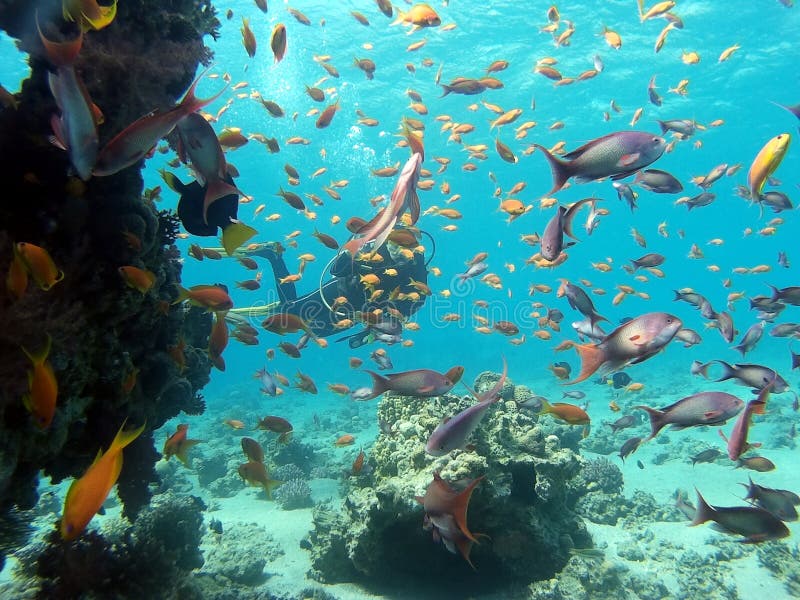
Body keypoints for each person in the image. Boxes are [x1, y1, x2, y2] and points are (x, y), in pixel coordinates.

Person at [229, 227, 433, 348]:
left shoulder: (415, 270)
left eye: (405, 247)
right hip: (339, 292)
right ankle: (274, 255)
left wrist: (383, 328)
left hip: (358, 313)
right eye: (394, 244)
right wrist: (352, 255)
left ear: (414, 249)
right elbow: (336, 270)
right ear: (387, 240)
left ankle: (281, 308)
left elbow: (412, 305)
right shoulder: (373, 248)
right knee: (288, 312)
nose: (397, 251)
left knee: (316, 332)